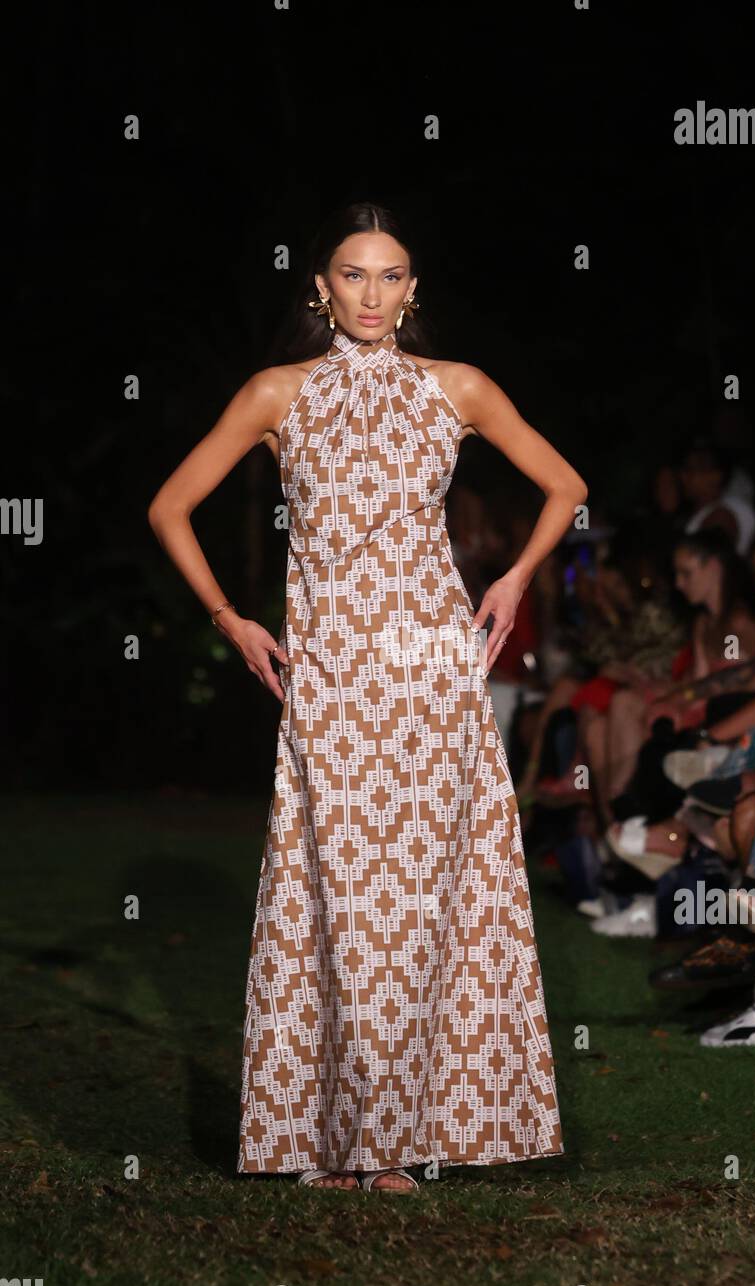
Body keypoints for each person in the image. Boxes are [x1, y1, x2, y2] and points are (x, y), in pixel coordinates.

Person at [147, 201, 587, 1193]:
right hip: (333, 678)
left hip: (432, 671)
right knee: (337, 900)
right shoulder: (275, 393)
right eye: (353, 275)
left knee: (423, 908)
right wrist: (230, 616)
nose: (372, 295)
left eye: (390, 276)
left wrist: (513, 579)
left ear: (413, 290)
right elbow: (169, 505)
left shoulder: (458, 387)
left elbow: (565, 484)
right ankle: (327, 1136)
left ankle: (392, 1142)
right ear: (320, 286)